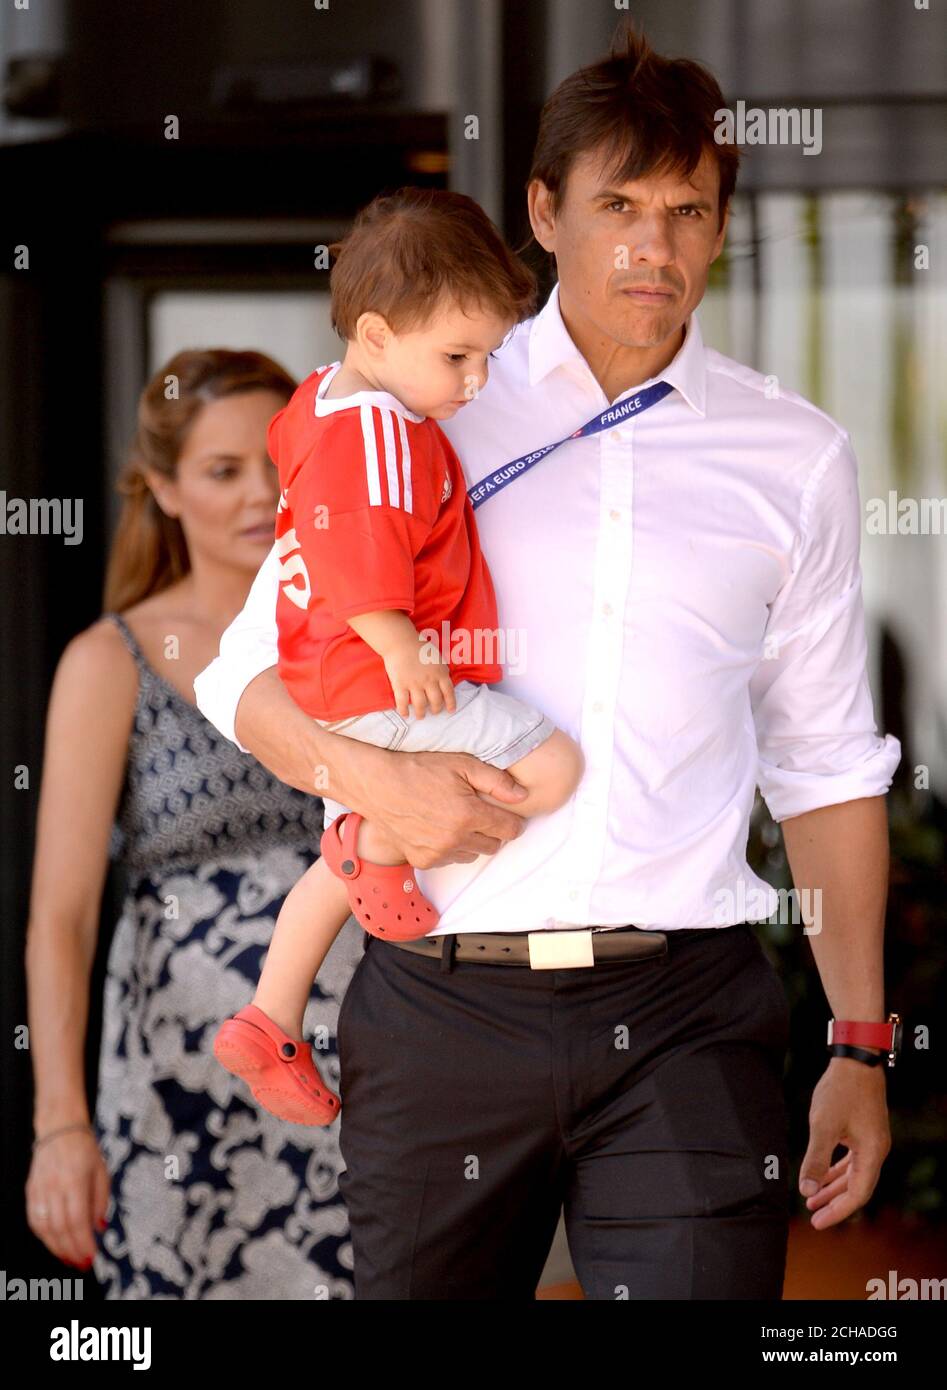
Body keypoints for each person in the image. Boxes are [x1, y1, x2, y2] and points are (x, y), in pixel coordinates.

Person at [194, 22, 902, 1300]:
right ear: (541, 209)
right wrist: (370, 775)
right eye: (616, 204)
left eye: (687, 209)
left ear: (721, 228)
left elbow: (824, 759)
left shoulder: (792, 456)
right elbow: (241, 672)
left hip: (685, 1014)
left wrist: (859, 1038)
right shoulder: (428, 402)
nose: (652, 243)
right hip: (438, 1002)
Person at [213, 190, 584, 1126]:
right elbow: (355, 551)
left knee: (331, 873)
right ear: (375, 335)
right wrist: (405, 651)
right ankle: (373, 843)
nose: (474, 382)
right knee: (549, 767)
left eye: (490, 357)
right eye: (455, 357)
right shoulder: (382, 431)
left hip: (331, 690)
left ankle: (271, 1016)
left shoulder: (321, 405)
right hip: (379, 682)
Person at [24, 349, 360, 1299]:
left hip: (362, 1069)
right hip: (180, 1082)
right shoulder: (112, 659)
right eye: (222, 471)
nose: (262, 492)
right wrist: (61, 1127)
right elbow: (62, 917)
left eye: (275, 461)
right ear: (164, 490)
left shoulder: (361, 633)